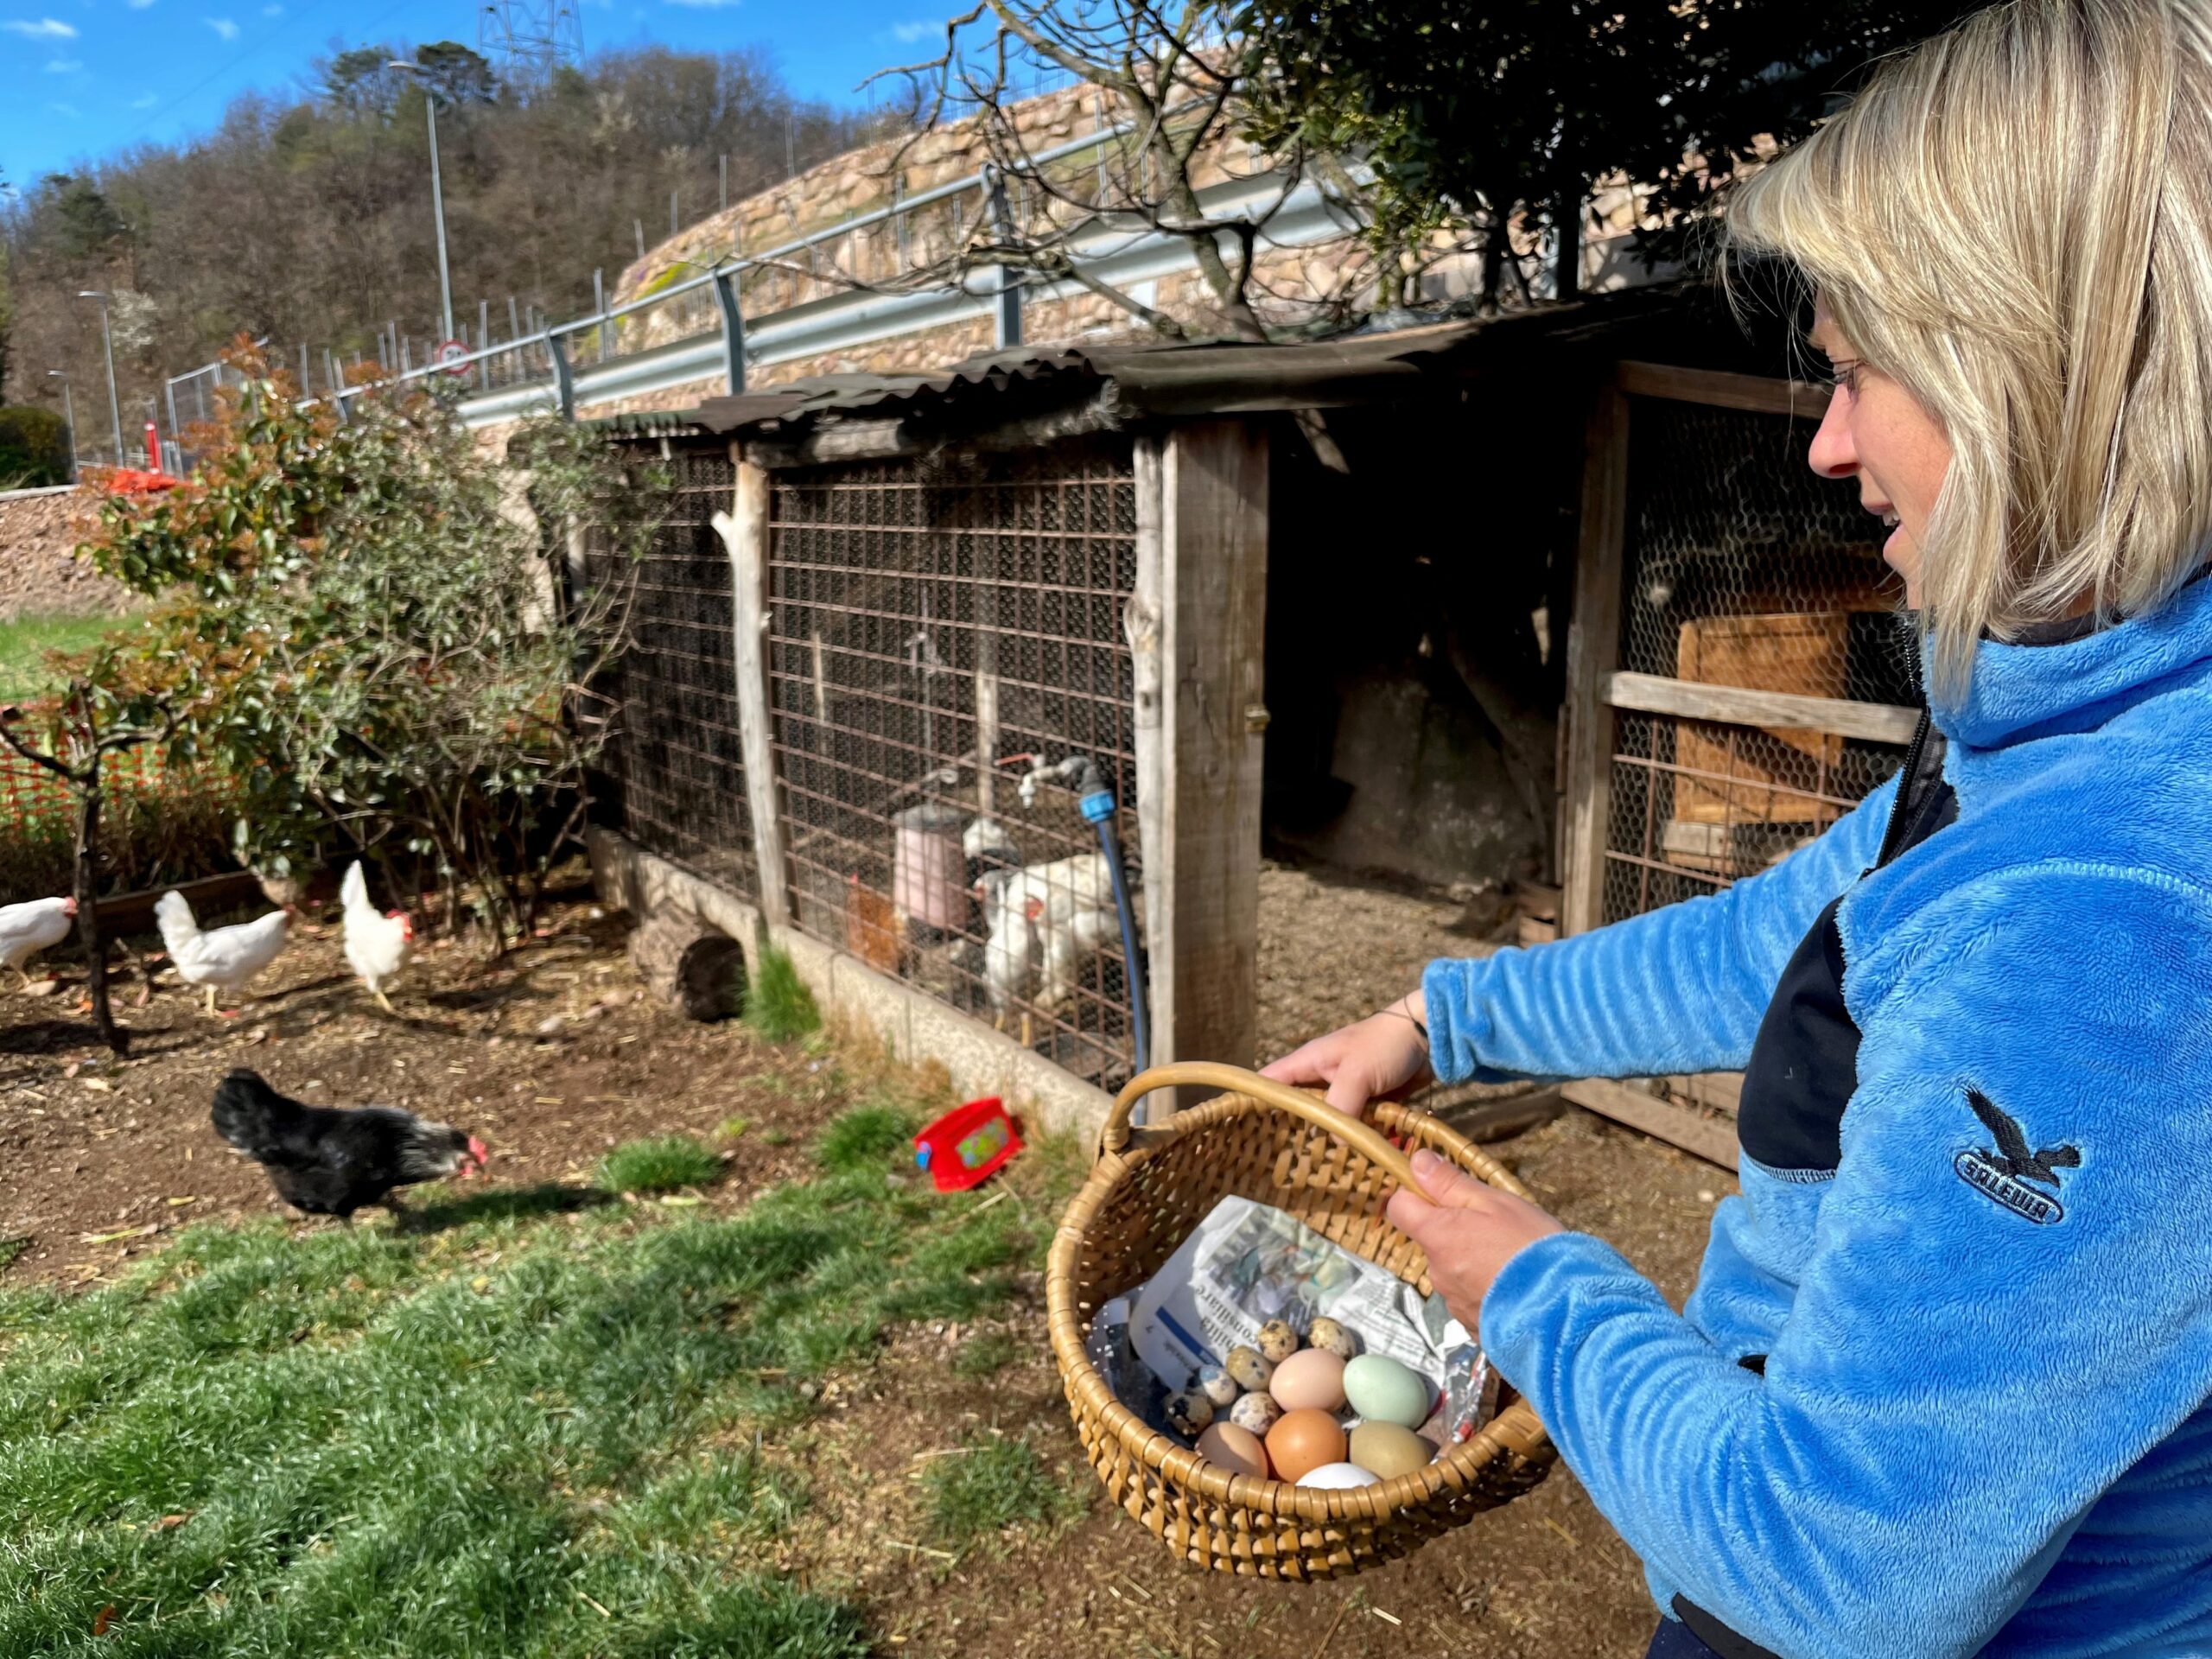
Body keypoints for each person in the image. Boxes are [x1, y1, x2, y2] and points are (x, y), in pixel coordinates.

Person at [1262, 3, 2212, 1655]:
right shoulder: (2063, 730)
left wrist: (1539, 1291)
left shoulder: (2105, 911)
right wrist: (1445, 1017)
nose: (1829, 445)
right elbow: (1791, 937)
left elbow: (1846, 1575)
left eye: (1854, 374)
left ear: (2026, 376)